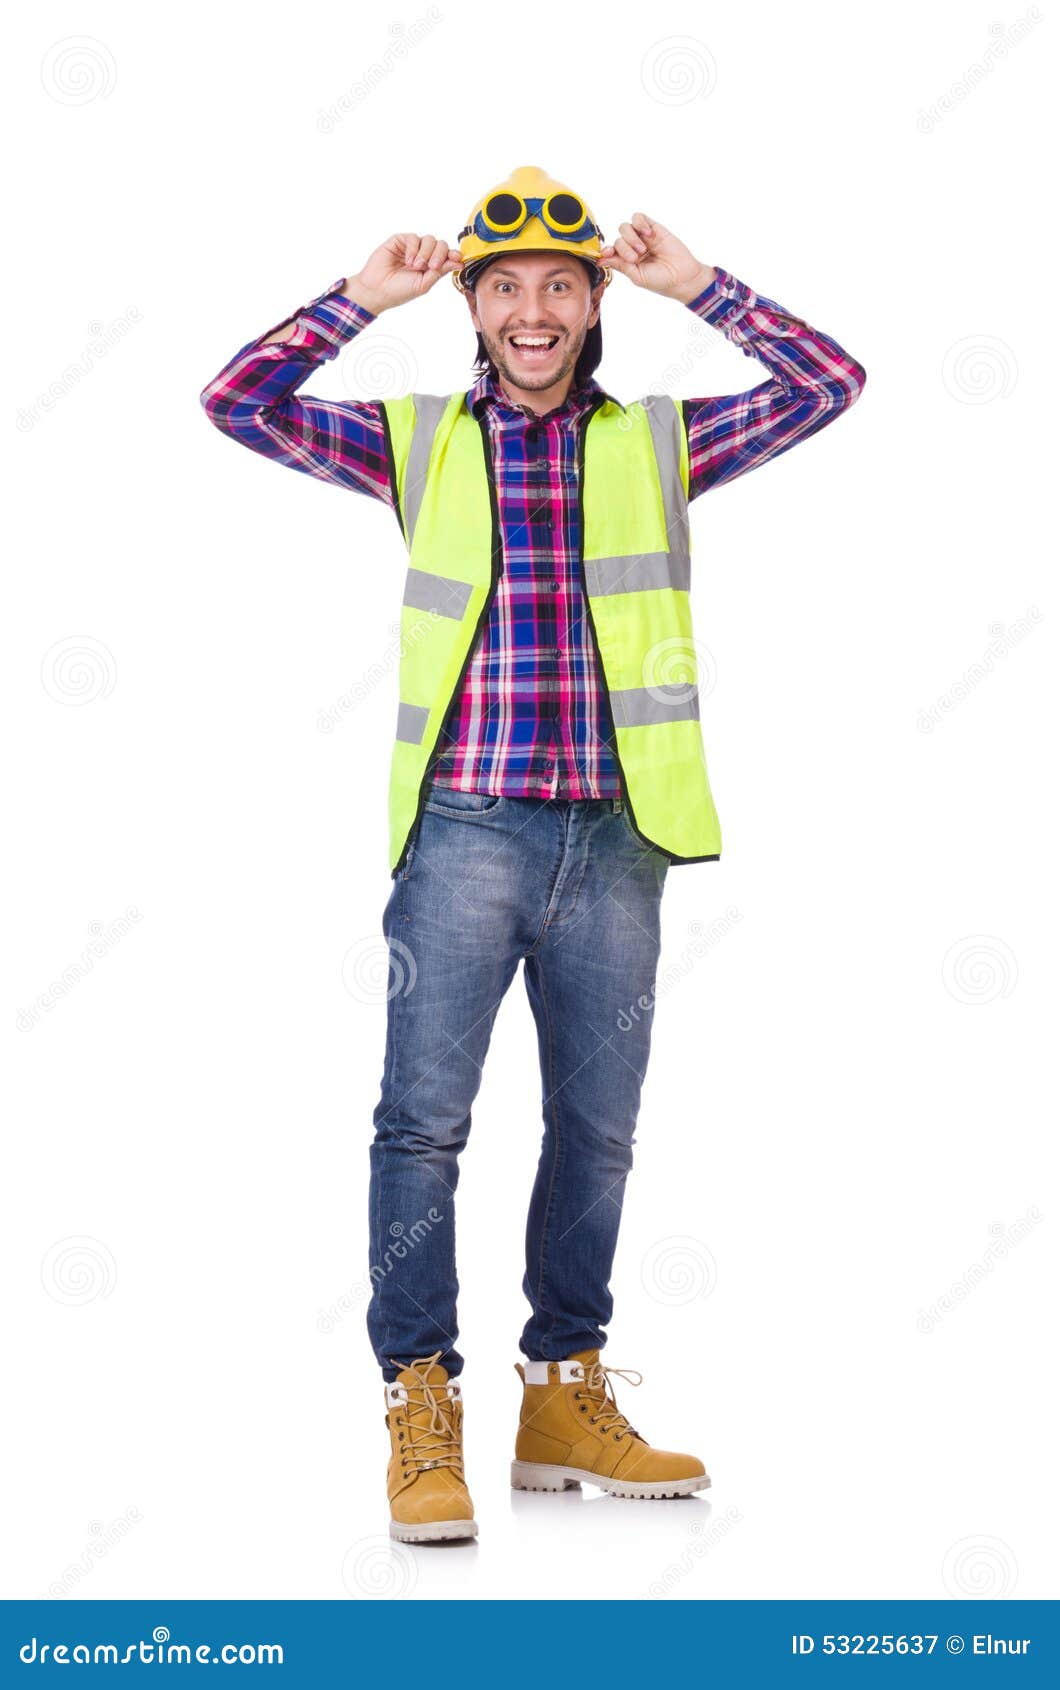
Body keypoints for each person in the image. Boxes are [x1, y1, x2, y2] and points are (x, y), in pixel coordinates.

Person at [200, 164, 866, 1545]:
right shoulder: (420, 441)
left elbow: (829, 381)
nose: (534, 309)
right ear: (473, 305)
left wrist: (703, 284)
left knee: (601, 1133)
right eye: (504, 286)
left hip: (619, 843)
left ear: (596, 298)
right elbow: (236, 404)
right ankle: (419, 1399)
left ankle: (563, 1393)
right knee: (422, 1127)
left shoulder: (659, 442)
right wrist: (353, 300)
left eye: (561, 282)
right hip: (463, 836)